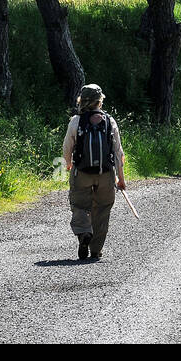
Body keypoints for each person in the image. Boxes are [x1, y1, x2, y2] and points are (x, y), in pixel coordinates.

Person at [62, 84, 126, 261]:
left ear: (81, 101)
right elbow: (118, 152)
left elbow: (67, 148)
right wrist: (121, 179)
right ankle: (96, 250)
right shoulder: (109, 121)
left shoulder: (76, 121)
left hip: (81, 172)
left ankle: (83, 233)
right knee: (103, 210)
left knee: (79, 205)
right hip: (105, 174)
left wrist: (68, 164)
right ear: (100, 101)